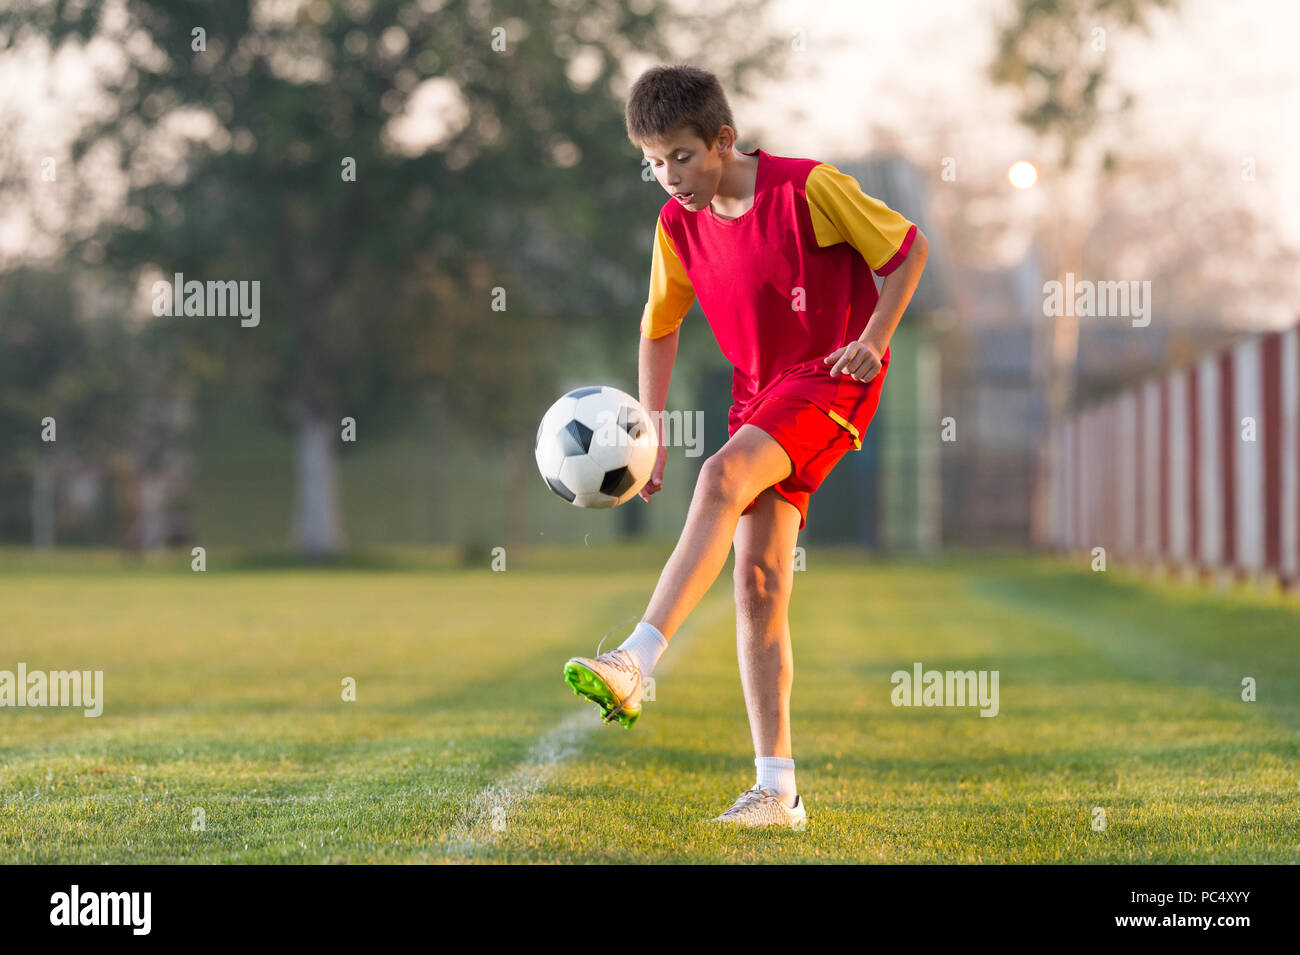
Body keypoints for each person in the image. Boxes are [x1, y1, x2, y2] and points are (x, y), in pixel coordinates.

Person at [563, 64, 929, 828]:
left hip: (831, 377)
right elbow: (658, 325)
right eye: (653, 163)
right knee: (758, 582)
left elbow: (907, 251)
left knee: (722, 474)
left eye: (682, 157)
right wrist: (652, 429)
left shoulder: (808, 189)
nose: (668, 177)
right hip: (760, 396)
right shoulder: (676, 227)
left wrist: (872, 340)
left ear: (723, 140)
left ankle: (633, 659)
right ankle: (778, 790)